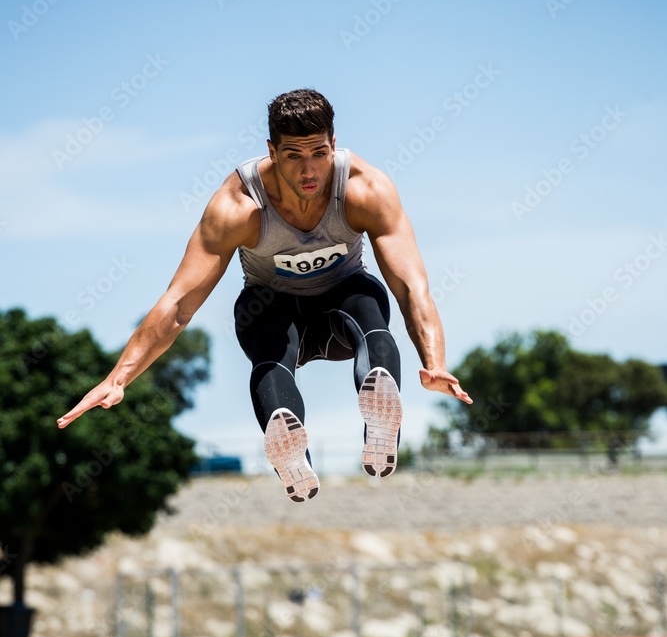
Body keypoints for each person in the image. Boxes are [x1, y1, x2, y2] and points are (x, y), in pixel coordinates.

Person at [57, 88, 472, 501]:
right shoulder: (237, 207)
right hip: (275, 314)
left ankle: (381, 423)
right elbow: (179, 304)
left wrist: (434, 363)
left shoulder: (367, 190)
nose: (310, 171)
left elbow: (411, 287)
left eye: (319, 153)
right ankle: (293, 457)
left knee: (368, 296)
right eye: (294, 156)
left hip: (342, 316)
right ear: (272, 152)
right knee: (263, 325)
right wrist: (118, 378)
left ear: (333, 144)